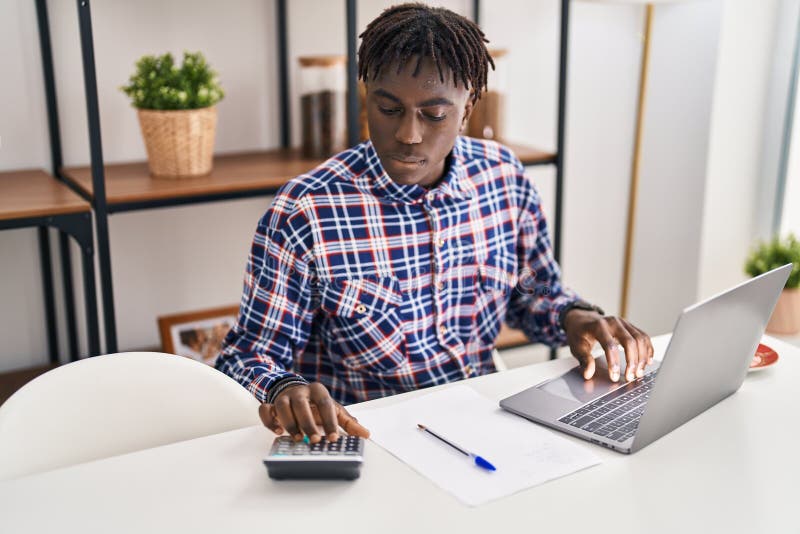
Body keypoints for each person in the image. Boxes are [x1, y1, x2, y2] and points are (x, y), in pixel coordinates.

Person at [216, 3, 654, 445]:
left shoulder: (504, 178)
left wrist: (574, 316)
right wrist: (283, 388)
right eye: (388, 109)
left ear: (467, 111)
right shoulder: (306, 210)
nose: (408, 134)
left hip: (483, 428)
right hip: (369, 439)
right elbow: (247, 355)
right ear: (367, 98)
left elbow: (530, 290)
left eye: (434, 115)